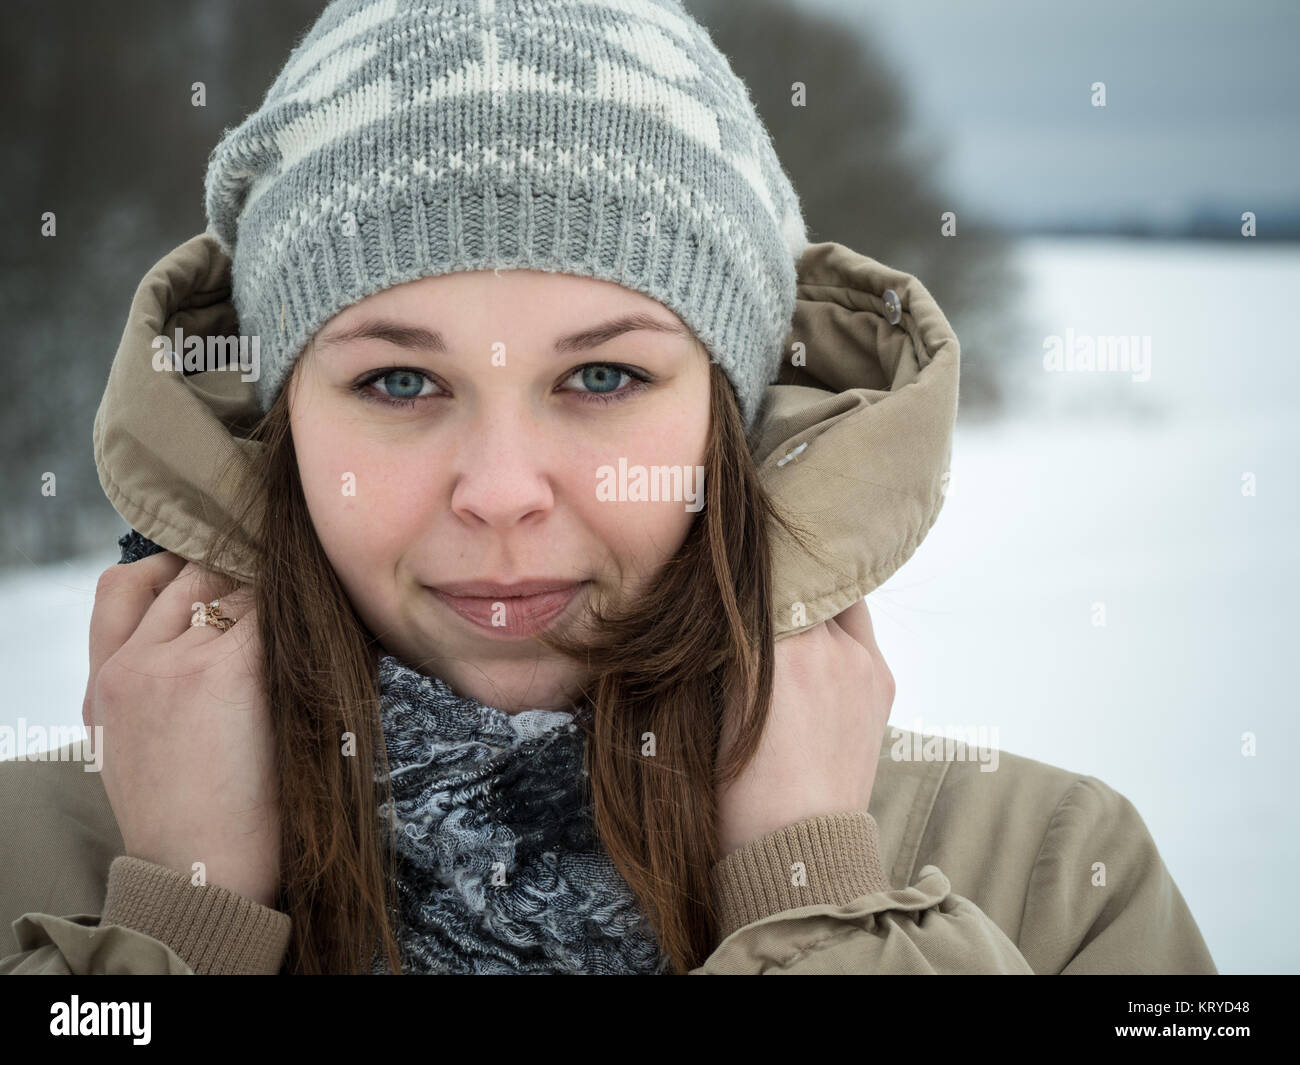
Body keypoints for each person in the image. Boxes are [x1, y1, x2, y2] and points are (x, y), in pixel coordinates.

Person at [0, 0, 1214, 975]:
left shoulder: (1052, 873)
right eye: (398, 386)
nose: (500, 493)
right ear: (279, 426)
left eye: (599, 372)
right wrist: (168, 935)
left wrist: (823, 907)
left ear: (729, 422)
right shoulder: (34, 864)